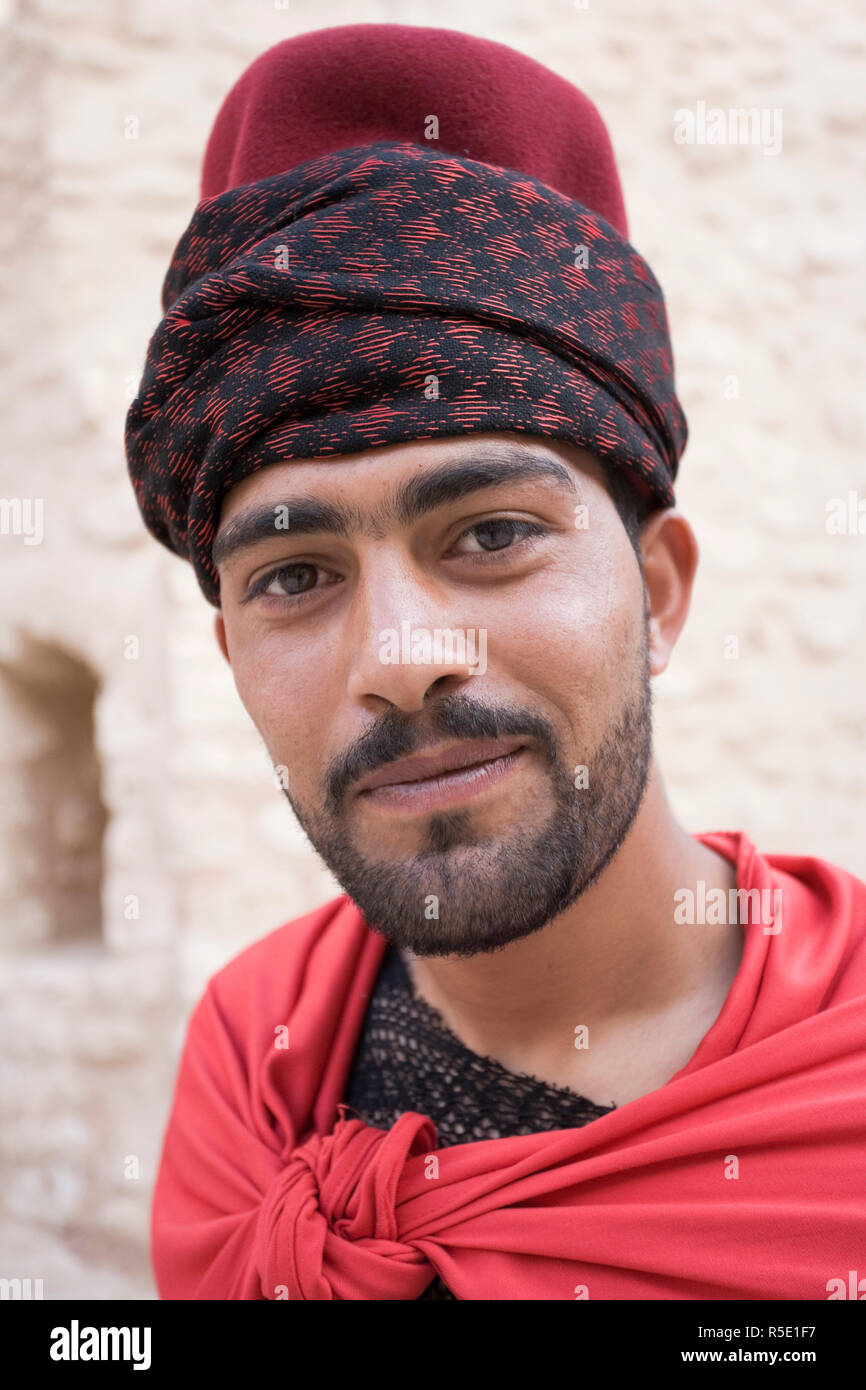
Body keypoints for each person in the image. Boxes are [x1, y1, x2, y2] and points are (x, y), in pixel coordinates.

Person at [125, 24, 866, 1301]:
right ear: (231, 652)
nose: (404, 658)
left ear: (659, 592)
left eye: (490, 534)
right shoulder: (253, 1063)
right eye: (294, 576)